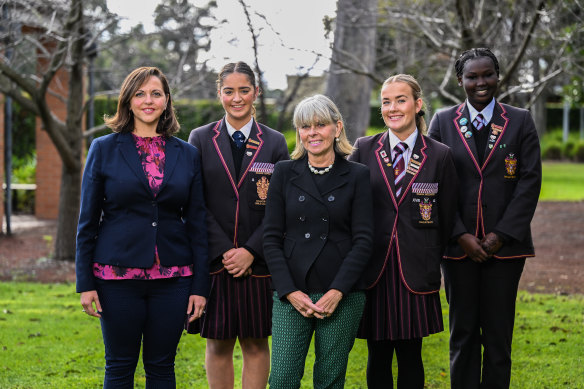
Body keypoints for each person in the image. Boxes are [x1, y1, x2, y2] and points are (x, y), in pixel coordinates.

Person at [75, 66, 209, 388]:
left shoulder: (188, 154)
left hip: (174, 279)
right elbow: (87, 221)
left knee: (162, 366)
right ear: (128, 100)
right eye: (140, 94)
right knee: (119, 366)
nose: (148, 101)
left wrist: (200, 287)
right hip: (115, 277)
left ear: (166, 101)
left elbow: (198, 224)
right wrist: (85, 282)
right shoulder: (103, 148)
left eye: (156, 94)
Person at [427, 48, 542, 389]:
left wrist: (500, 235)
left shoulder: (520, 120)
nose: (481, 82)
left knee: (498, 335)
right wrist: (461, 234)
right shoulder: (443, 122)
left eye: (488, 74)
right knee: (462, 333)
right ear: (460, 80)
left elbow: (529, 181)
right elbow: (432, 183)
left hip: (504, 250)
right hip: (458, 247)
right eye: (472, 76)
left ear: (498, 75)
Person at [349, 74, 458, 389]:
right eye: (386, 101)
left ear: (417, 104)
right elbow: (352, 209)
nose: (392, 108)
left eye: (400, 99)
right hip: (374, 269)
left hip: (415, 268)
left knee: (411, 353)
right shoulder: (364, 149)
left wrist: (426, 254)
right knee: (378, 353)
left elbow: (447, 216)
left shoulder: (439, 155)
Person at [186, 61, 289, 389]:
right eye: (229, 91)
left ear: (256, 92)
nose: (237, 98)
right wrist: (226, 251)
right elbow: (194, 202)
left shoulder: (274, 143)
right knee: (217, 342)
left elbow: (280, 207)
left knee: (256, 343)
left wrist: (249, 251)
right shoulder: (200, 138)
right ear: (219, 94)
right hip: (215, 262)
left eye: (244, 90)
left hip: (258, 263)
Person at [263, 94, 374, 389]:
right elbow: (271, 237)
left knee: (329, 379)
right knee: (282, 379)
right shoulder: (284, 172)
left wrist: (338, 291)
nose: (312, 132)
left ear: (337, 128)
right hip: (292, 291)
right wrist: (288, 291)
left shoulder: (357, 175)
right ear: (299, 132)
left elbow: (364, 240)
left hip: (342, 292)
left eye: (320, 124)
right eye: (305, 126)